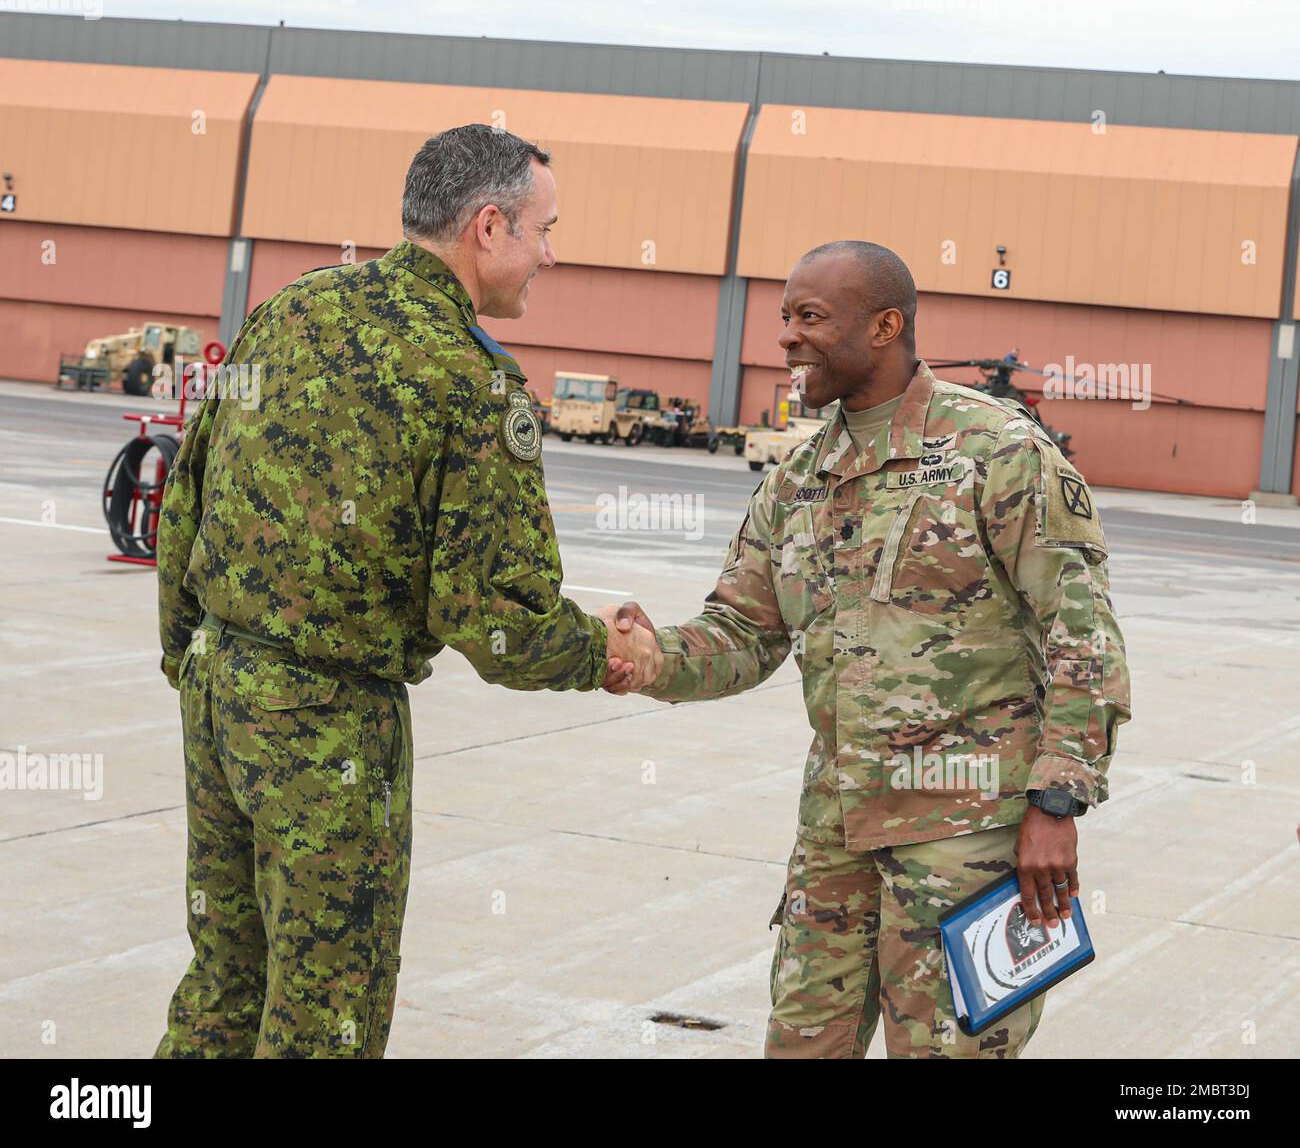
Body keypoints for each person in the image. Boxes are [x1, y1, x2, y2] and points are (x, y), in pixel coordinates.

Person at [154, 123, 660, 1058]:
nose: (551, 255)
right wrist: (600, 649)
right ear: (488, 226)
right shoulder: (471, 380)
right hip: (331, 723)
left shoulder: (290, 309)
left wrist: (185, 656)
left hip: (218, 690)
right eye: (545, 231)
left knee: (223, 985)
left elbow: (186, 496)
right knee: (324, 1013)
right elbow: (497, 623)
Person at [606, 240, 1131, 1059]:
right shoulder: (799, 477)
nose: (786, 337)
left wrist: (1057, 804)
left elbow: (1084, 637)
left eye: (809, 317)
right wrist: (649, 657)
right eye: (785, 317)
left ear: (885, 326)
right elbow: (744, 632)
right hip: (835, 833)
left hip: (966, 837)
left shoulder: (997, 453)